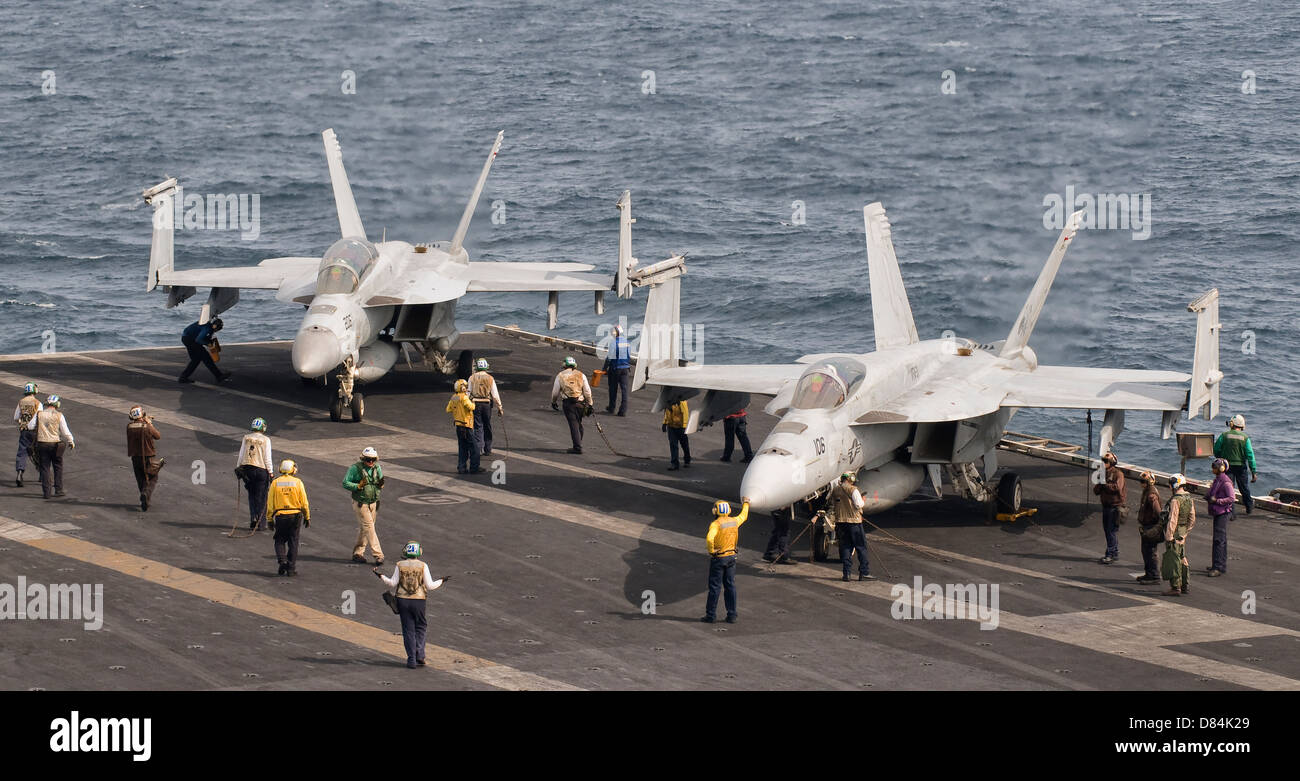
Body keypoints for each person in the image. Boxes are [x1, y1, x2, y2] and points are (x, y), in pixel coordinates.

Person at [374, 541, 447, 669]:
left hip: (402, 600)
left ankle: (411, 659)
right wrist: (441, 580)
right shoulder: (423, 565)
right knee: (421, 626)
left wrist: (381, 576)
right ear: (419, 552)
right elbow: (430, 586)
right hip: (419, 601)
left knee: (408, 630)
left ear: (405, 552)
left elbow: (392, 583)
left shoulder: (400, 564)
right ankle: (420, 654)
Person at [702, 499, 749, 624]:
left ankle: (711, 615)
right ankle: (732, 615)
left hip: (719, 558)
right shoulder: (734, 521)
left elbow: (709, 538)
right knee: (730, 586)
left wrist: (712, 551)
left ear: (715, 511)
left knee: (715, 588)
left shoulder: (716, 524)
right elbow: (743, 516)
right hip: (731, 557)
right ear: (729, 510)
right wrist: (746, 503)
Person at [266, 459, 310, 576]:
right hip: (295, 516)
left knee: (279, 540)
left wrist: (269, 519)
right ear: (293, 470)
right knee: (293, 541)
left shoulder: (275, 483)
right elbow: (304, 503)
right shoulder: (298, 482)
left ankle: (282, 561)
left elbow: (270, 504)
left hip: (281, 516)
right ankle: (291, 569)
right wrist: (307, 516)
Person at [828, 471, 874, 581]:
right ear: (850, 479)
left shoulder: (835, 490)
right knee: (861, 547)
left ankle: (846, 574)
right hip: (854, 523)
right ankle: (864, 572)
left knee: (845, 548)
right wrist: (862, 500)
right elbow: (859, 505)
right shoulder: (853, 490)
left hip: (840, 523)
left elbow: (831, 503)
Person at [344, 447, 385, 565]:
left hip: (373, 502)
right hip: (361, 503)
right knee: (369, 527)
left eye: (373, 460)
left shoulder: (377, 468)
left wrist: (381, 485)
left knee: (365, 529)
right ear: (363, 459)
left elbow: (380, 483)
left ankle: (358, 553)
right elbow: (345, 483)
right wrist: (357, 486)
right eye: (368, 459)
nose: (370, 462)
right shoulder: (355, 469)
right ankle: (378, 555)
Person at [29, 394, 74, 499]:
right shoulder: (59, 415)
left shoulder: (39, 414)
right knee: (58, 466)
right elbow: (65, 431)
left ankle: (46, 493)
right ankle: (58, 490)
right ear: (57, 404)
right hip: (55, 444)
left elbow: (30, 426)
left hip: (42, 444)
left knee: (44, 467)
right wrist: (71, 440)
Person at [235, 418, 274, 531]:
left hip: (247, 469)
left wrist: (238, 467)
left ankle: (253, 518)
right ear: (263, 427)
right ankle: (261, 524)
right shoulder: (266, 440)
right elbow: (267, 458)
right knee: (262, 497)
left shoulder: (246, 438)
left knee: (251, 495)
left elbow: (241, 454)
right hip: (261, 470)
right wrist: (271, 472)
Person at [1214, 415, 1257, 514]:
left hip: (1227, 467)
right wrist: (1253, 471)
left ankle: (1231, 511)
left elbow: (1216, 449)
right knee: (1244, 488)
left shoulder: (1224, 435)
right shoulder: (1245, 438)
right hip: (1241, 467)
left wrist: (1220, 457)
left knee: (1229, 489)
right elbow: (1250, 455)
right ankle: (1249, 507)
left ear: (1232, 424)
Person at [550, 356, 593, 454]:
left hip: (568, 404)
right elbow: (587, 391)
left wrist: (553, 402)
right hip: (580, 403)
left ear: (564, 365)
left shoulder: (560, 375)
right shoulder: (581, 375)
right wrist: (590, 404)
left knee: (574, 425)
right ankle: (579, 442)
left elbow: (555, 392)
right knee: (578, 424)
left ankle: (577, 448)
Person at [1162, 473, 1196, 596]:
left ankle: (1175, 587)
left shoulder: (1176, 500)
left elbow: (1172, 519)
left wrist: (1169, 535)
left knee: (1173, 559)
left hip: (1175, 531)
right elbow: (1192, 518)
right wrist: (1186, 531)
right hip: (1183, 531)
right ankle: (1185, 584)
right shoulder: (1188, 498)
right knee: (1182, 557)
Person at [125, 405, 162, 512]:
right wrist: (149, 423)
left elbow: (136, 426)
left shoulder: (129, 427)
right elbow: (157, 436)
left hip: (135, 457)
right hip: (148, 456)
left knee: (140, 478)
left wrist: (144, 422)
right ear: (142, 414)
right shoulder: (147, 426)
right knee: (152, 478)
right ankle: (146, 494)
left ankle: (145, 500)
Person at [1205, 458, 1237, 577]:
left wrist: (1217, 501)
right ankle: (1218, 564)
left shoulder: (1226, 482)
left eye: (1215, 466)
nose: (1213, 468)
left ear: (1222, 468)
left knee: (1219, 540)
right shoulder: (1218, 480)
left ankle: (1218, 567)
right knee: (1218, 539)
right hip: (1217, 512)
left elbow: (1231, 498)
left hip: (1222, 513)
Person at [1093, 452, 1126, 564]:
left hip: (1114, 507)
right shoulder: (1103, 473)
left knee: (1111, 531)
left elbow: (1117, 487)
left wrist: (1104, 484)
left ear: (1111, 462)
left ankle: (1110, 554)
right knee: (1108, 530)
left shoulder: (1118, 474)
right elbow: (1096, 490)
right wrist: (1099, 484)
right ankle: (1114, 552)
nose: (1103, 463)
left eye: (1105, 461)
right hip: (1106, 506)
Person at [467, 358, 504, 457]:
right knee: (487, 425)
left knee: (478, 426)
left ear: (477, 367)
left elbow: (468, 393)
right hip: (487, 405)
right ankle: (487, 449)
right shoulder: (490, 378)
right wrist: (500, 407)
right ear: (486, 367)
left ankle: (478, 448)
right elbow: (495, 395)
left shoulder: (472, 377)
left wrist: (465, 406)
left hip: (475, 404)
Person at [178, 317, 231, 384]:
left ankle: (183, 378)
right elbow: (199, 340)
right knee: (206, 358)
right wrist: (208, 343)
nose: (217, 330)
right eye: (218, 328)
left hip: (186, 337)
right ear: (215, 326)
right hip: (190, 339)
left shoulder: (209, 325)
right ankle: (219, 376)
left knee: (195, 360)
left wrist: (209, 342)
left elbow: (202, 336)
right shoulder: (207, 328)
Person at [446, 380, 482, 474]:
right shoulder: (464, 398)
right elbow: (471, 407)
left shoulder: (454, 397)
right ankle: (474, 468)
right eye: (465, 387)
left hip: (458, 426)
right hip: (466, 426)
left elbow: (448, 409)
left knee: (462, 447)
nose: (466, 388)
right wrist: (473, 402)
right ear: (462, 388)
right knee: (474, 448)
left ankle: (461, 468)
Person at [1135, 471, 1164, 585]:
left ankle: (1154, 576)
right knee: (1145, 551)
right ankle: (1148, 574)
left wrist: (1156, 526)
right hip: (1147, 526)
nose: (1141, 483)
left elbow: (1158, 512)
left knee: (1151, 552)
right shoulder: (1147, 491)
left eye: (1143, 481)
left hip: (1151, 526)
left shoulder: (1151, 495)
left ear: (1148, 482)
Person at [14, 382, 41, 487]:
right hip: (35, 431)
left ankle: (20, 472)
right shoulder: (38, 403)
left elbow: (16, 417)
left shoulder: (20, 402)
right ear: (35, 391)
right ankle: (42, 474)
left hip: (24, 431)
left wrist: (23, 421)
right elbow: (41, 418)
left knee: (22, 452)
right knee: (38, 452)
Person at [602, 325, 632, 416]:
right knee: (624, 390)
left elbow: (609, 358)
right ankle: (623, 411)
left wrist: (604, 368)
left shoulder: (614, 343)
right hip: (625, 369)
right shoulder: (627, 342)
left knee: (613, 389)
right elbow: (629, 355)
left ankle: (612, 408)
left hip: (615, 369)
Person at [663, 399, 691, 471]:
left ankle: (687, 459)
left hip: (680, 427)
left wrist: (684, 426)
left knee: (684, 445)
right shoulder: (668, 401)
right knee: (673, 445)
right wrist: (665, 423)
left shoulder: (682, 402)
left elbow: (685, 413)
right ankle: (674, 463)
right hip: (671, 426)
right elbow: (666, 412)